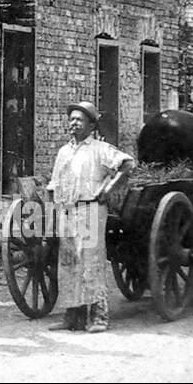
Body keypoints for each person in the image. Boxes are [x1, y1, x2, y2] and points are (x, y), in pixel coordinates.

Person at [46, 101, 134, 333]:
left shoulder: (99, 149)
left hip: (90, 210)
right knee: (68, 262)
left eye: (80, 120)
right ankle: (72, 316)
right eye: (72, 119)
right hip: (67, 210)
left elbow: (127, 164)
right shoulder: (64, 151)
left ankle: (99, 316)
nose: (74, 123)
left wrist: (108, 190)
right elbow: (54, 184)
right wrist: (52, 211)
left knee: (90, 261)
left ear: (91, 125)